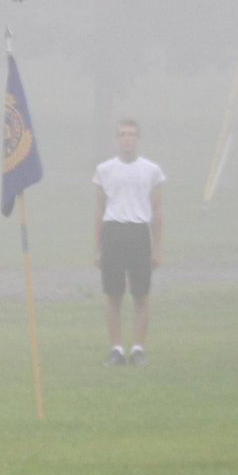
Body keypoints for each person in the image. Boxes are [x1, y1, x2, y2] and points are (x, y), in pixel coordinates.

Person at [93, 118, 165, 364]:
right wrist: (99, 247)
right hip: (113, 231)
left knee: (141, 294)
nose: (127, 139)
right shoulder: (105, 170)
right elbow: (100, 210)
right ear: (117, 139)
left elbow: (157, 210)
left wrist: (157, 247)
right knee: (114, 294)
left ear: (138, 139)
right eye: (123, 134)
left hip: (138, 232)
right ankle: (116, 349)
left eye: (132, 134)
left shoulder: (151, 170)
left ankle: (137, 349)